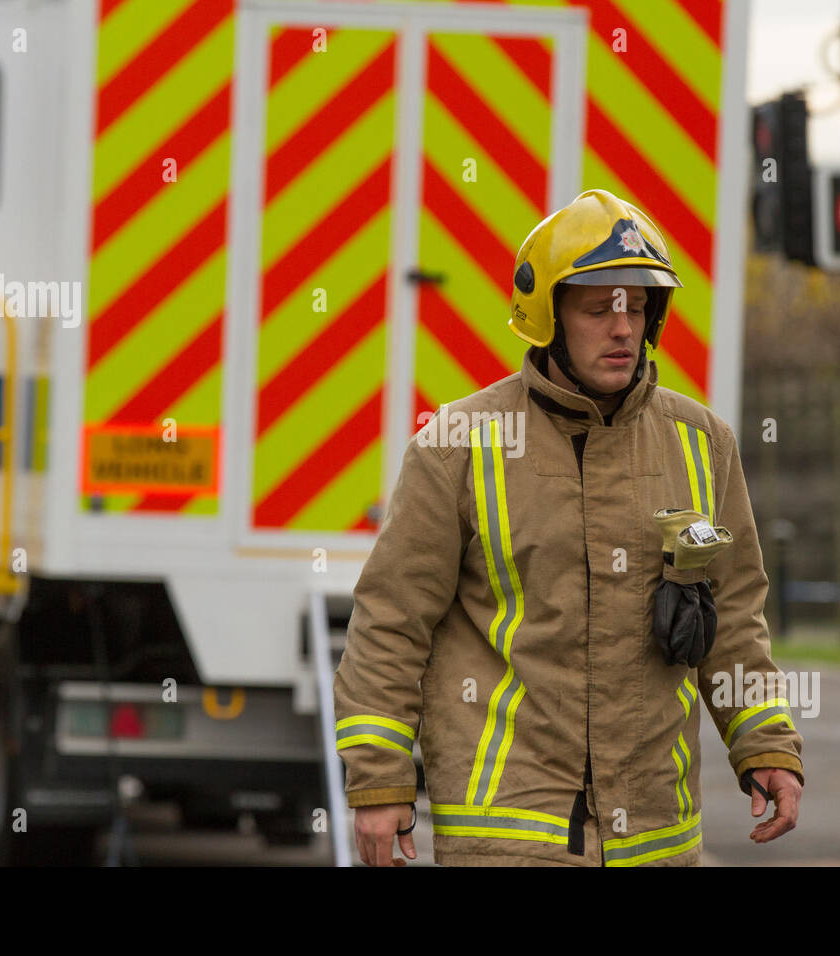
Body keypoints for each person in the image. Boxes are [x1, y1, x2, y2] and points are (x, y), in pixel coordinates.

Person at [334, 188, 804, 866]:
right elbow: (391, 622)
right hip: (511, 835)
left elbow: (733, 621)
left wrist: (767, 747)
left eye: (636, 307)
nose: (623, 328)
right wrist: (379, 781)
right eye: (598, 309)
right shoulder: (458, 444)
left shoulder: (703, 443)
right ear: (548, 319)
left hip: (656, 836)